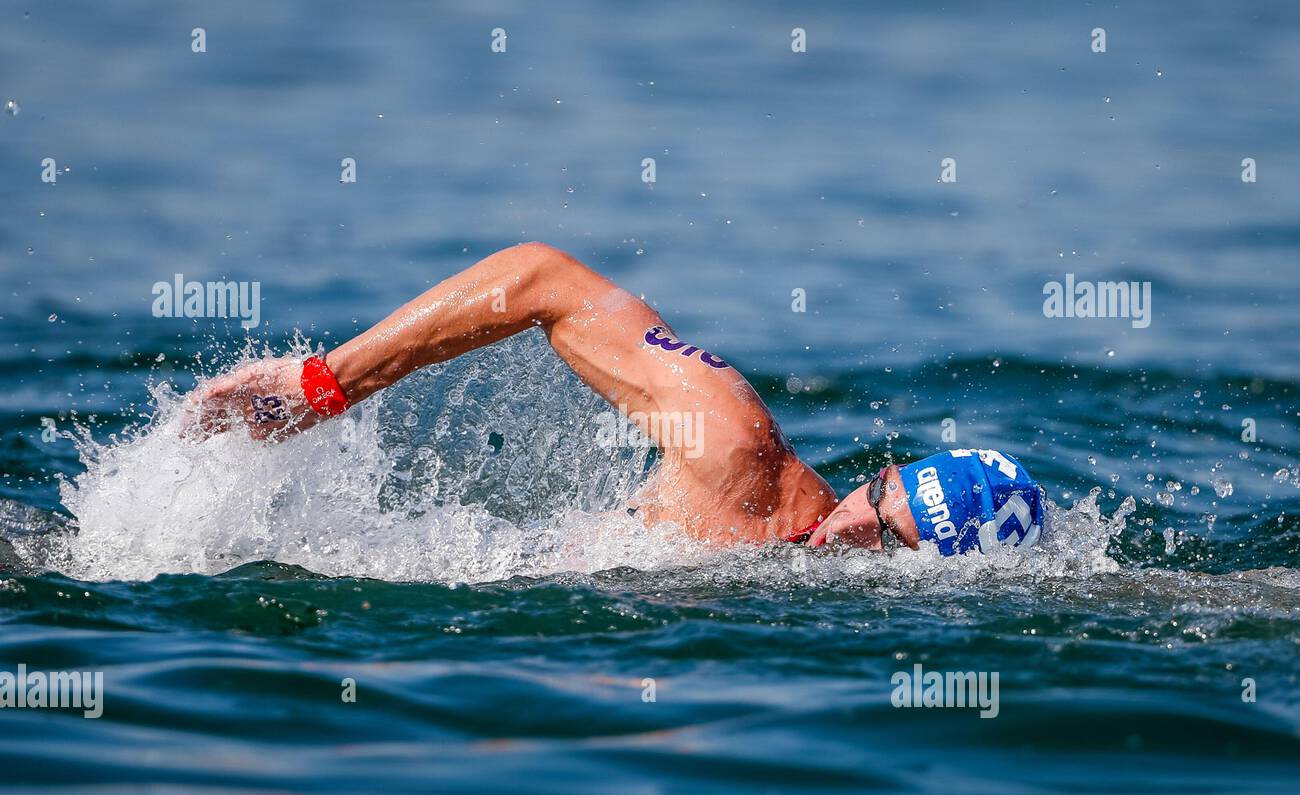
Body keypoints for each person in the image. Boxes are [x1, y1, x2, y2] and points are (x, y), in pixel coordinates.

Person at [183, 242, 1044, 553]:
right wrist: (325, 385)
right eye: (881, 493)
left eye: (891, 541)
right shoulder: (733, 448)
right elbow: (541, 278)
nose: (855, 522)